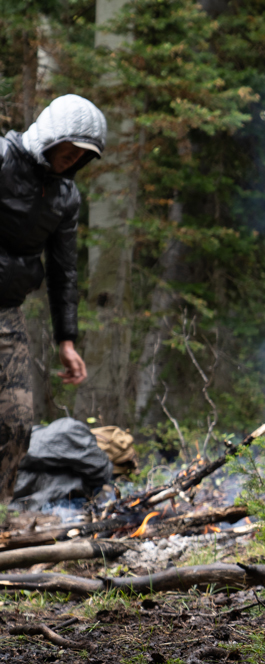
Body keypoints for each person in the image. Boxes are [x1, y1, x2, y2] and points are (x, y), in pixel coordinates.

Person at [0, 94, 105, 503]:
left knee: (16, 422)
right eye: (72, 147)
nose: (74, 158)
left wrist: (66, 340)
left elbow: (64, 269)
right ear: (51, 136)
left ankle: (1, 520)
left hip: (5, 314)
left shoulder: (66, 197)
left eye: (84, 154)